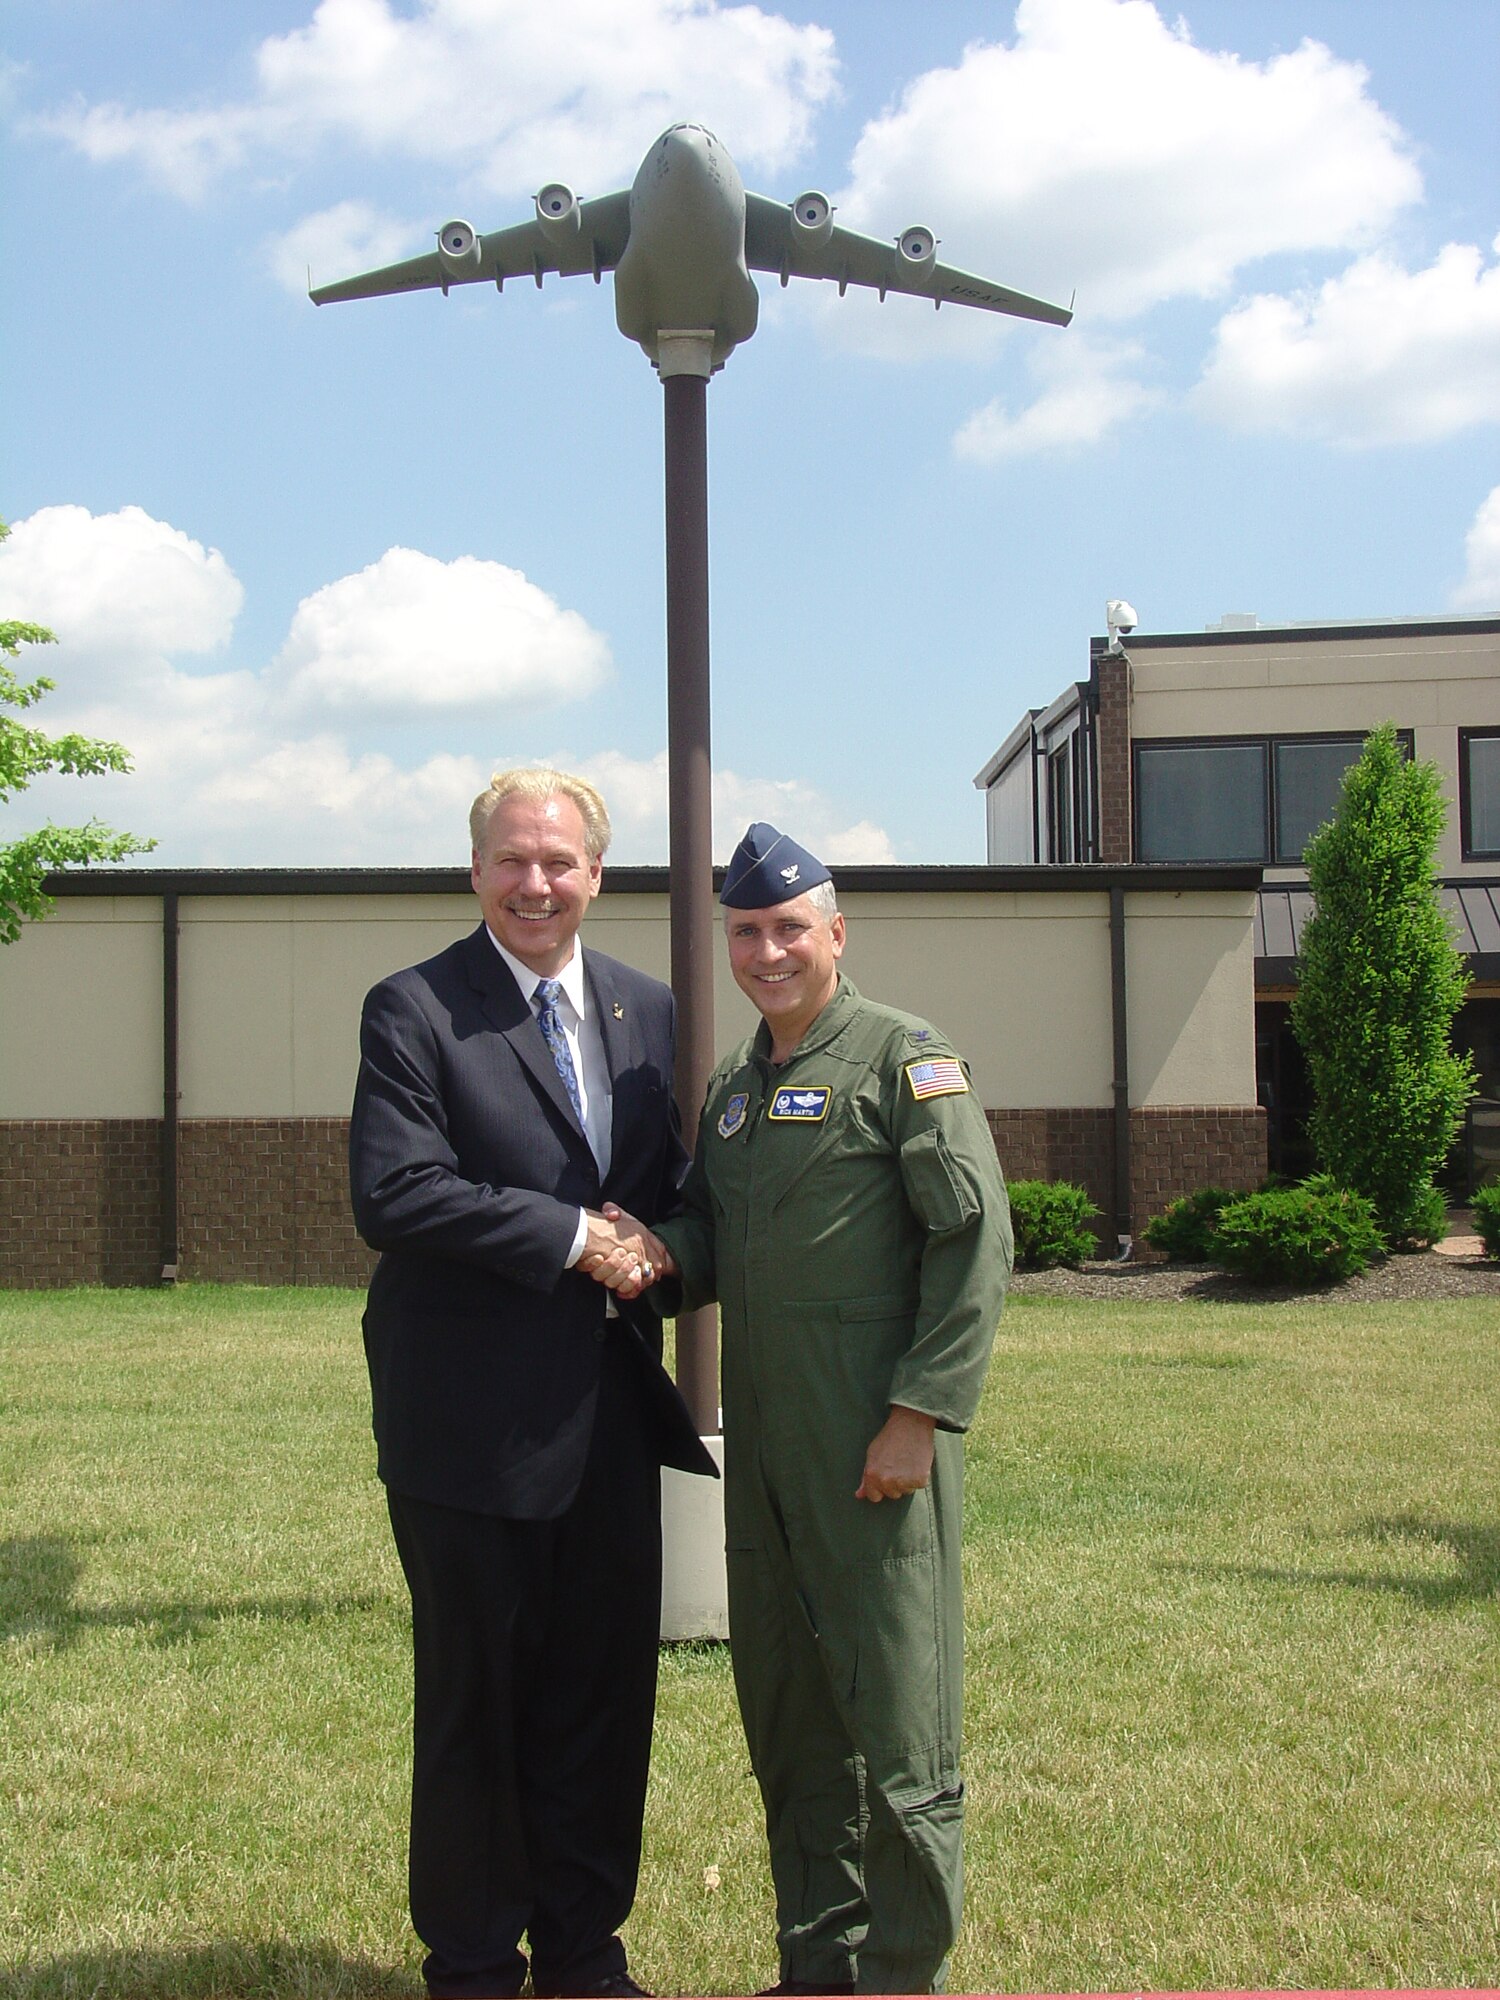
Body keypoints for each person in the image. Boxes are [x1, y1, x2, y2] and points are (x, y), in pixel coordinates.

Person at [349, 767, 716, 2000]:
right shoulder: (413, 1009)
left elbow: (665, 1184)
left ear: (598, 875)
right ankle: (468, 1959)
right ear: (475, 869)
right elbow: (393, 1192)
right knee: (477, 1703)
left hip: (609, 1419)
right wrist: (574, 1237)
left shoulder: (648, 1011)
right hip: (468, 1428)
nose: (536, 882)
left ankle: (581, 1951)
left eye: (560, 861)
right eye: (513, 858)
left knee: (602, 1700)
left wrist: (658, 1242)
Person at [648, 823, 1012, 1997]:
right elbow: (710, 1239)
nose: (767, 951)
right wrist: (645, 1249)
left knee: (902, 1724)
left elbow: (973, 1236)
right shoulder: (736, 1091)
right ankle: (818, 1961)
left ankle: (902, 1971)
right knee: (793, 1718)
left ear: (836, 933)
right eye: (747, 932)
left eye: (789, 927)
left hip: (873, 1452)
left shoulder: (906, 1058)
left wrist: (920, 1413)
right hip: (766, 1463)